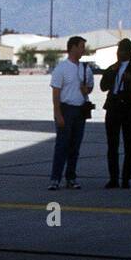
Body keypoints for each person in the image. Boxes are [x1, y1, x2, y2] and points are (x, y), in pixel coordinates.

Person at [49, 35, 94, 189]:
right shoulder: (61, 68)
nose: (83, 50)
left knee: (75, 147)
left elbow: (90, 88)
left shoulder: (85, 68)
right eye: (81, 46)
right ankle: (55, 178)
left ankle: (71, 177)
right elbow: (56, 93)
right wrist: (58, 114)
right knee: (62, 145)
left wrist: (86, 89)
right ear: (73, 47)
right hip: (66, 109)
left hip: (80, 110)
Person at [100, 38, 131, 188]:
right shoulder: (112, 68)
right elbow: (103, 86)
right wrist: (111, 72)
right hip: (113, 107)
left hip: (128, 109)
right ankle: (113, 178)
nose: (118, 53)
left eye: (122, 50)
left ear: (129, 53)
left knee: (129, 146)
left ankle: (126, 179)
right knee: (112, 145)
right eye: (118, 50)